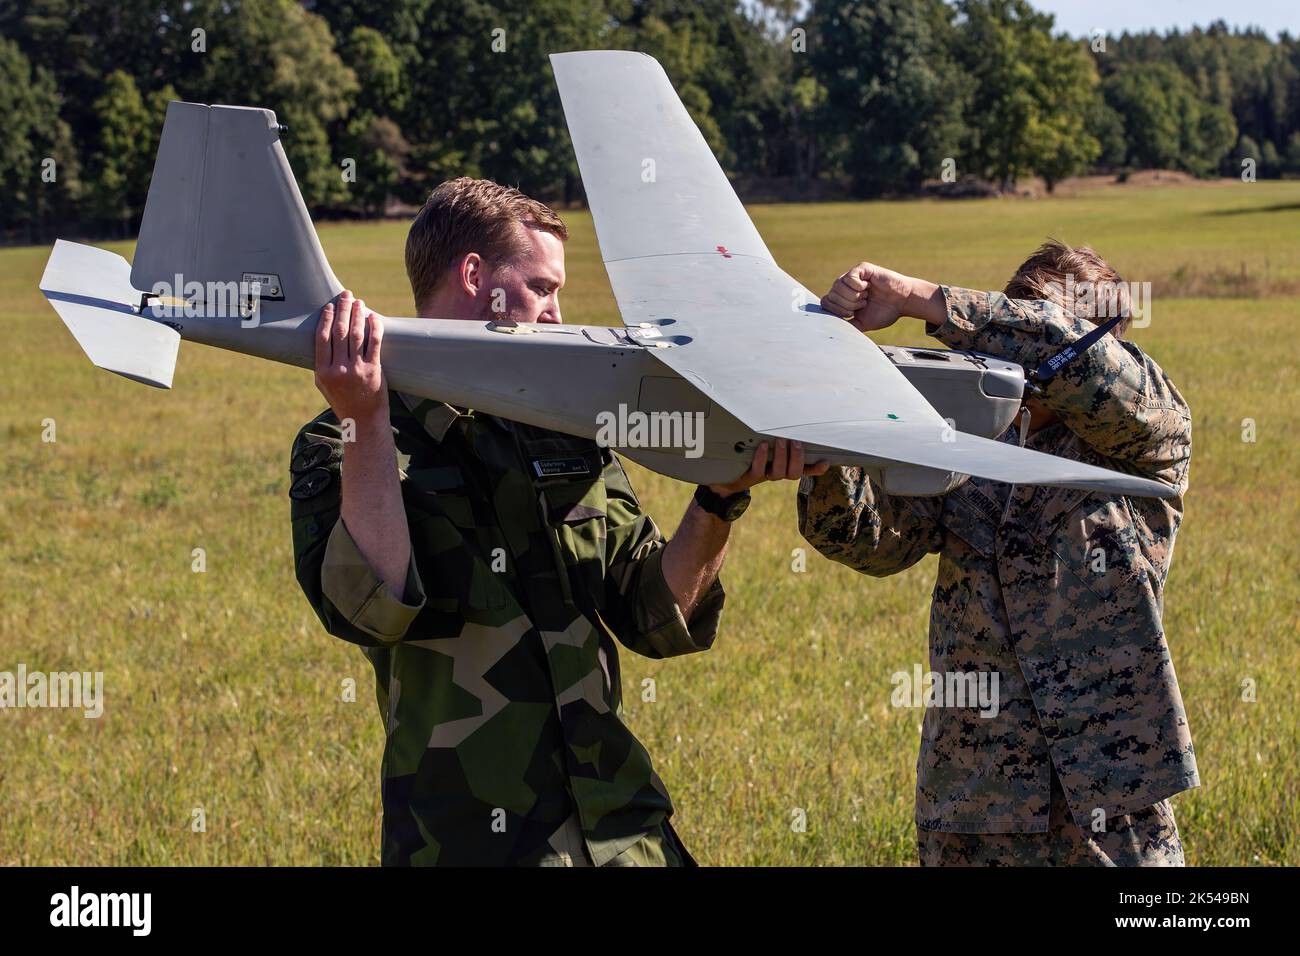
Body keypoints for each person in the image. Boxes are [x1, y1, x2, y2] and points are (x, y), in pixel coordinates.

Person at [289, 177, 824, 866]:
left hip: (621, 828)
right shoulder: (343, 440)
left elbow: (649, 612)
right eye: (543, 287)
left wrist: (719, 497)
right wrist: (365, 417)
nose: (556, 313)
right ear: (476, 276)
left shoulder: (560, 427)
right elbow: (372, 610)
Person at [801, 241, 1196, 866]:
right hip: (975, 800)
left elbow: (1067, 353)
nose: (1014, 342)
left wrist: (915, 298)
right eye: (1015, 317)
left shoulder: (1149, 432)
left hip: (1108, 807)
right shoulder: (964, 435)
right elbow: (870, 542)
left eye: (1033, 323)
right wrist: (829, 448)